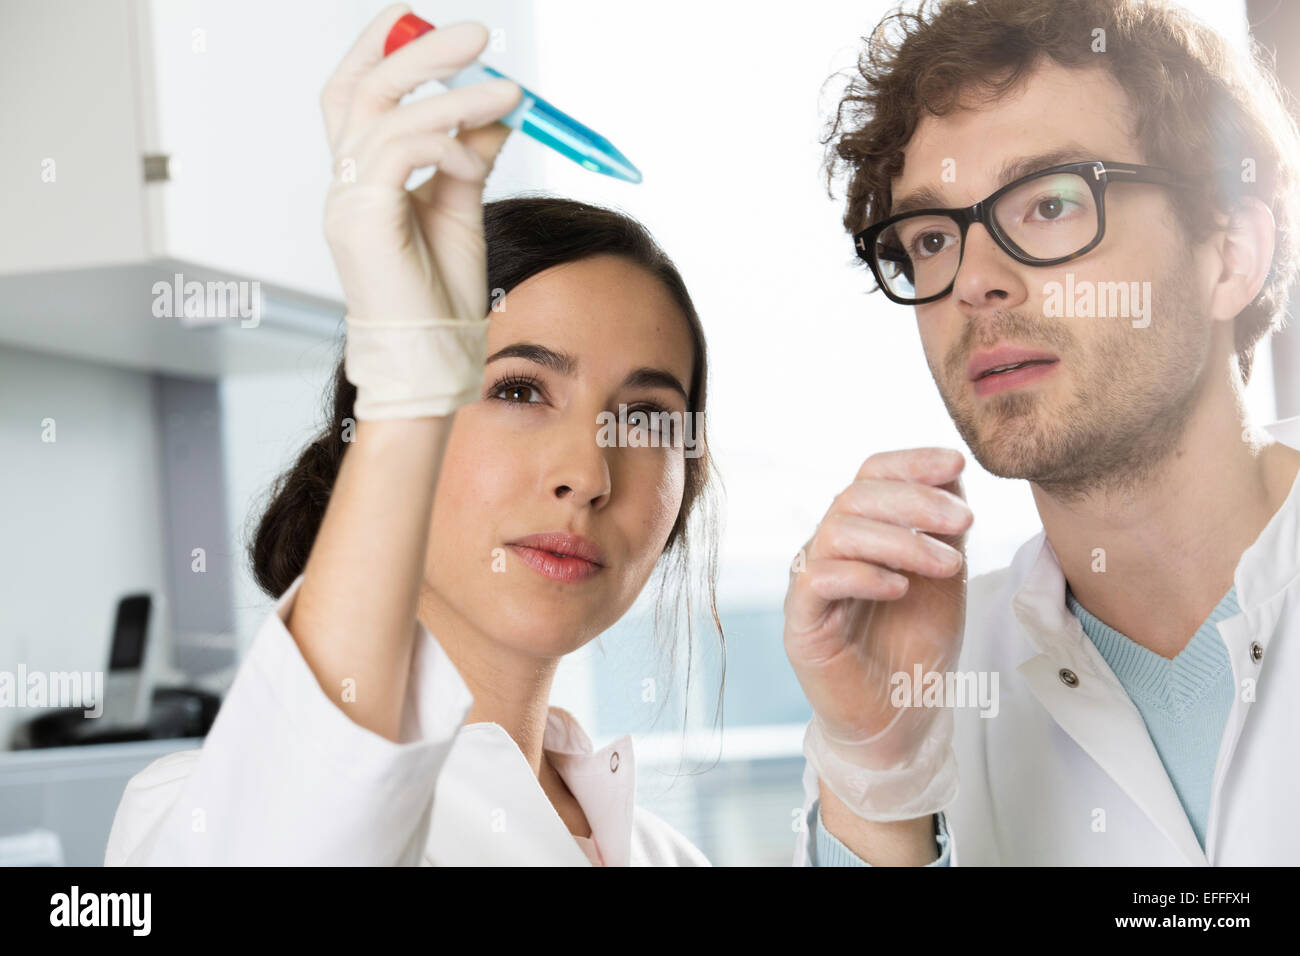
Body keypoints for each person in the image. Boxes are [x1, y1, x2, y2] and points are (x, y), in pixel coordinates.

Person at [104, 6, 723, 866]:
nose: (588, 473)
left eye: (647, 417)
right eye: (518, 388)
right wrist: (404, 392)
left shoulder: (671, 855)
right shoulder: (198, 817)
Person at [786, 0, 1300, 865]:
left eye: (1053, 205)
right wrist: (880, 783)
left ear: (1229, 257)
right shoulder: (917, 686)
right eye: (932, 236)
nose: (974, 281)